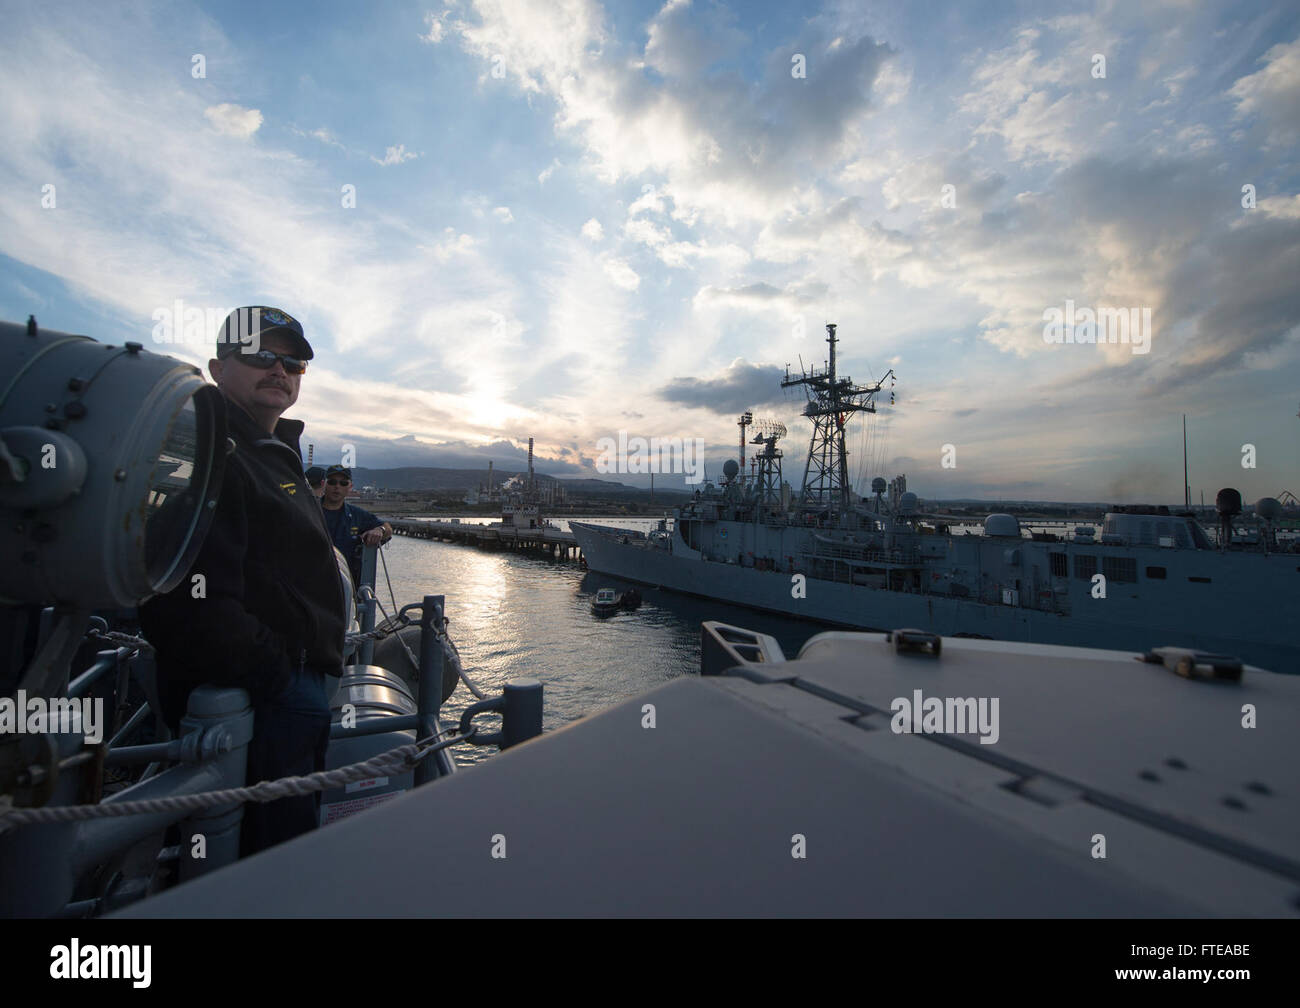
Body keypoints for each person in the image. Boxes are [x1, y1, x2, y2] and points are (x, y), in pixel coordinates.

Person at [140, 306, 346, 856]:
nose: (279, 369)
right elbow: (188, 602)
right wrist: (282, 679)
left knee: (278, 844)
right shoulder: (209, 451)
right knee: (267, 858)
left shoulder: (271, 452)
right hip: (261, 701)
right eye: (258, 355)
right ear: (217, 367)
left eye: (294, 361)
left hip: (285, 690)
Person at [319, 465, 392, 587]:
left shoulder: (357, 515)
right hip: (311, 585)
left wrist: (380, 530)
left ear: (350, 487)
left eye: (343, 483)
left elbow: (388, 528)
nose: (337, 487)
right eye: (332, 482)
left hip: (346, 587)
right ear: (324, 484)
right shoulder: (309, 510)